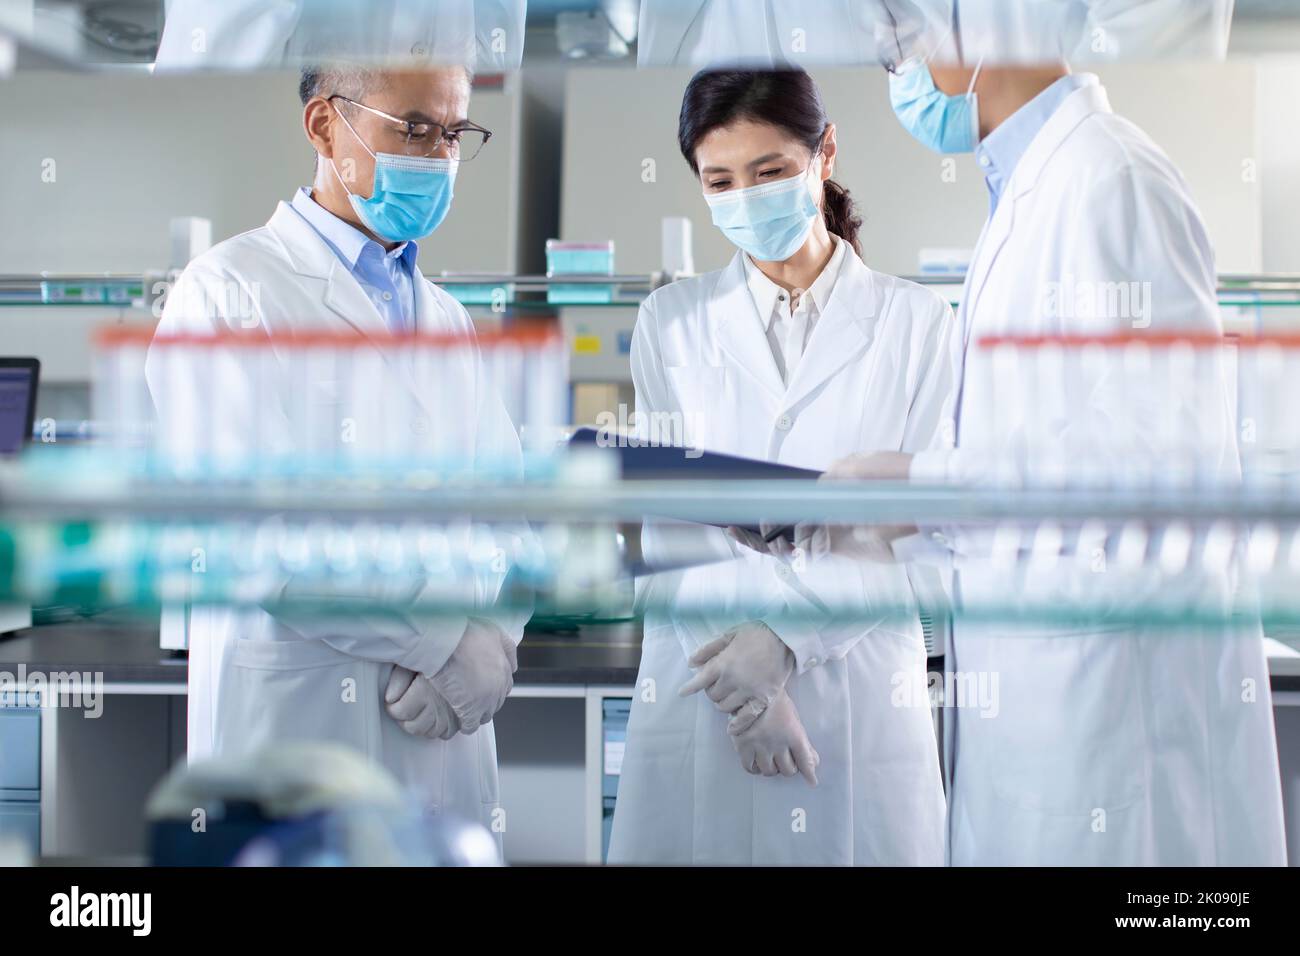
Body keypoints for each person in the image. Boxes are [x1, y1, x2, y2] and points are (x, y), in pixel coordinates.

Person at [816, 31, 1288, 864]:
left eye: (902, 40)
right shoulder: (1034, 191)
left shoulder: (1113, 182)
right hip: (1047, 717)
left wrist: (916, 487)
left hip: (1117, 743)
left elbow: (1152, 483)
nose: (899, 70)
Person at [145, 64, 527, 838]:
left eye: (454, 133)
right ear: (325, 126)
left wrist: (493, 639)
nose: (439, 157)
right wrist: (443, 639)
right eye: (413, 129)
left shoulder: (446, 318)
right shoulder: (227, 294)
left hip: (445, 732)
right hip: (300, 728)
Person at [607, 68, 953, 865]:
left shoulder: (918, 324)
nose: (747, 198)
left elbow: (911, 531)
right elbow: (663, 525)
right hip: (705, 687)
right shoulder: (671, 321)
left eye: (769, 172)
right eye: (720, 181)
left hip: (853, 696)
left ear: (824, 153)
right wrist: (748, 691)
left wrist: (787, 643)